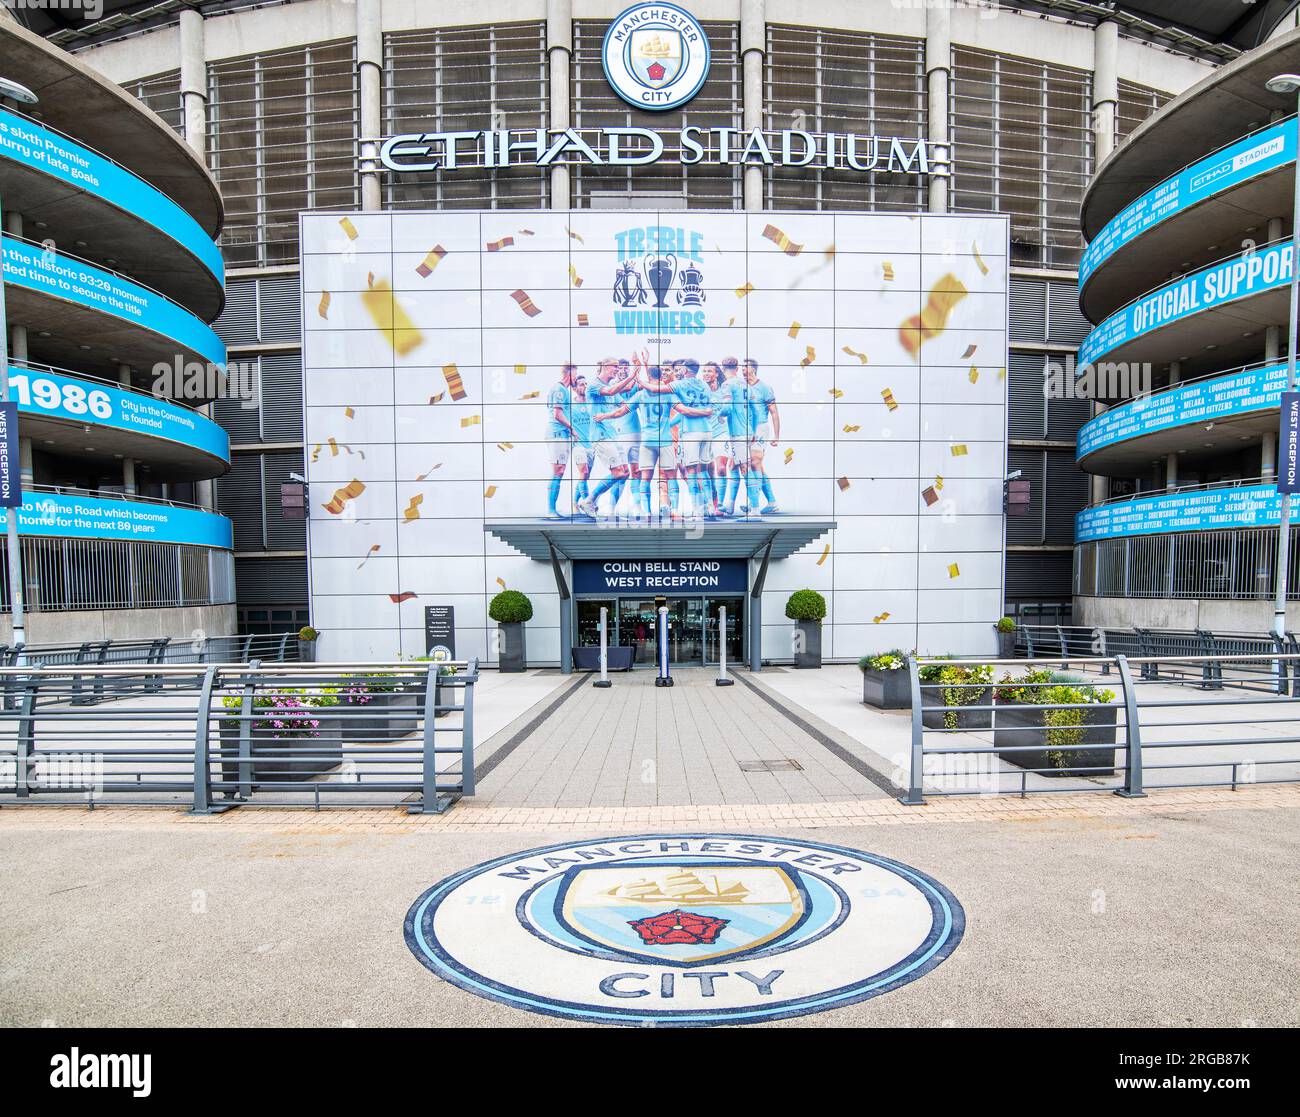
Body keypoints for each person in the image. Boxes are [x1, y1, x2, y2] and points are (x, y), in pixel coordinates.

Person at [669, 357, 717, 520]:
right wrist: (668, 424)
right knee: (703, 470)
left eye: (681, 368)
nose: (679, 371)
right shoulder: (704, 384)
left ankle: (697, 509)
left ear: (685, 370)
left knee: (690, 471)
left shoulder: (680, 385)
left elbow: (684, 411)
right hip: (706, 431)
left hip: (691, 433)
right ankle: (710, 505)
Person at [743, 358, 780, 515]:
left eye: (745, 367)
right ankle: (772, 502)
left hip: (760, 428)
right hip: (744, 429)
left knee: (755, 462)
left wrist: (776, 436)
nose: (742, 369)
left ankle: (754, 504)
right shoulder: (741, 387)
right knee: (755, 465)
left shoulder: (764, 387)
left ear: (753, 369)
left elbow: (774, 412)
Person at [544, 364, 577, 520]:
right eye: (575, 375)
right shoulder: (559, 390)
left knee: (560, 471)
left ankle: (552, 509)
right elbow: (557, 414)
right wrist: (572, 428)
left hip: (561, 434)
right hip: (557, 434)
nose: (576, 378)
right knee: (558, 471)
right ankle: (551, 510)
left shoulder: (563, 390)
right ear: (568, 374)